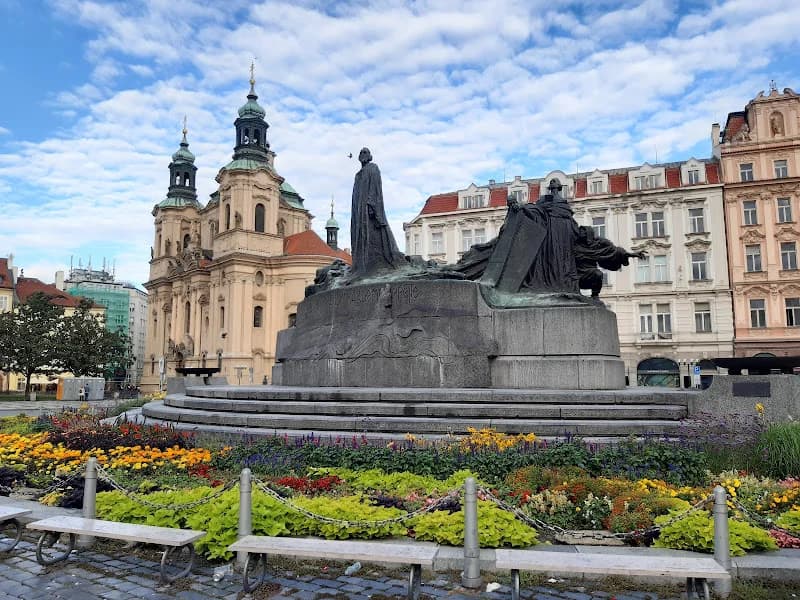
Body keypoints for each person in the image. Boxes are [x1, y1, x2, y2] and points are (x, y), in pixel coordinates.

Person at [350, 147, 407, 275]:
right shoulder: (357, 175)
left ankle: (379, 264)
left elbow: (375, 187)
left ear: (370, 156)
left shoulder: (373, 168)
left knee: (377, 238)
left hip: (369, 210)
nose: (363, 154)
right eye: (361, 153)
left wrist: (372, 206)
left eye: (365, 152)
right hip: (359, 214)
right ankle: (362, 265)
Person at [575, 226, 645, 298]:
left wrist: (632, 254)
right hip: (576, 272)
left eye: (583, 232)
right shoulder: (575, 246)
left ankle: (595, 295)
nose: (580, 233)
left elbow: (616, 251)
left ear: (588, 234)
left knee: (598, 274)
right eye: (580, 231)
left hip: (590, 271)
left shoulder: (596, 245)